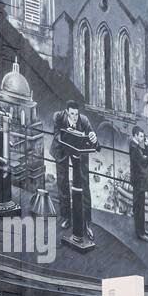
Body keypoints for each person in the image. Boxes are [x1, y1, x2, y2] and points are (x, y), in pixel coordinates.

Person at [51, 101, 98, 237]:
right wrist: (68, 134)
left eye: (76, 114)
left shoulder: (84, 120)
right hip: (62, 149)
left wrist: (93, 138)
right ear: (67, 112)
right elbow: (57, 136)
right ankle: (66, 217)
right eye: (72, 114)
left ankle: (87, 222)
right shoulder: (58, 117)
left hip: (78, 151)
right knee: (62, 181)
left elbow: (93, 139)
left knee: (84, 184)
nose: (75, 117)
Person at [129, 126, 148, 242]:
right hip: (139, 181)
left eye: (143, 136)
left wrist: (146, 147)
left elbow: (141, 156)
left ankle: (141, 229)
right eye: (140, 136)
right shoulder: (134, 147)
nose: (142, 138)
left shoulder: (135, 146)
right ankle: (140, 233)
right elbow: (143, 162)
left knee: (141, 206)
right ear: (135, 135)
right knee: (139, 208)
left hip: (139, 181)